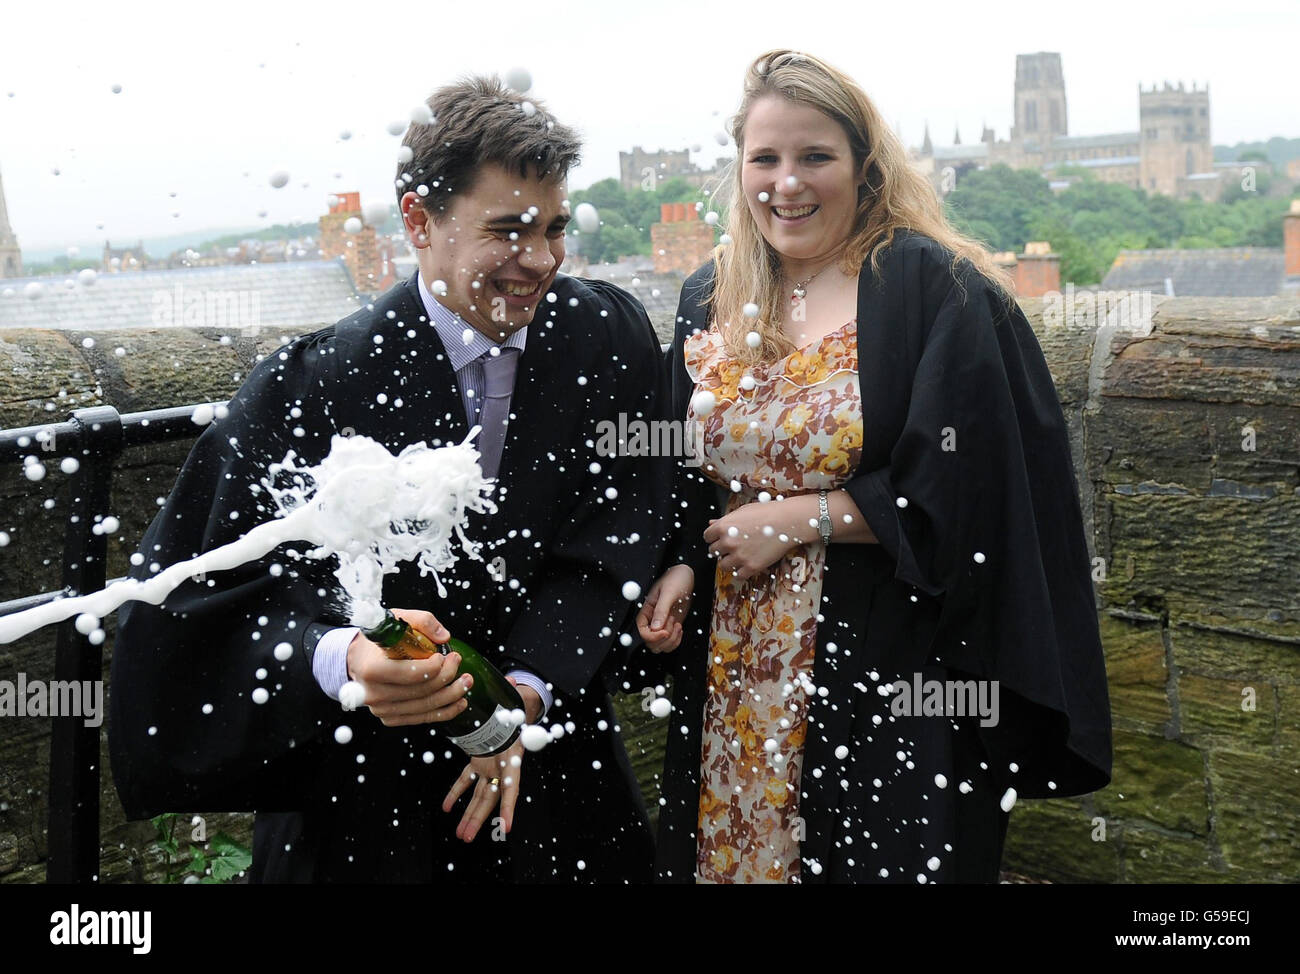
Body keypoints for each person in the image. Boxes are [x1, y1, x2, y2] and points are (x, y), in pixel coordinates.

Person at [109, 75, 664, 882]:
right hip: (369, 813)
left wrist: (518, 699)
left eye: (552, 229)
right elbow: (192, 612)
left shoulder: (602, 334)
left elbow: (616, 528)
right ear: (418, 220)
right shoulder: (310, 385)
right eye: (507, 230)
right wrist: (341, 660)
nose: (539, 261)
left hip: (558, 786)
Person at [638, 49, 1112, 884]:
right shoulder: (707, 294)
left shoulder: (934, 290)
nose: (788, 182)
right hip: (735, 663)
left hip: (891, 669)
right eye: (766, 158)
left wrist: (796, 519)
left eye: (815, 156)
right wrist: (681, 557)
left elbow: (972, 491)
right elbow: (687, 460)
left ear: (864, 165)